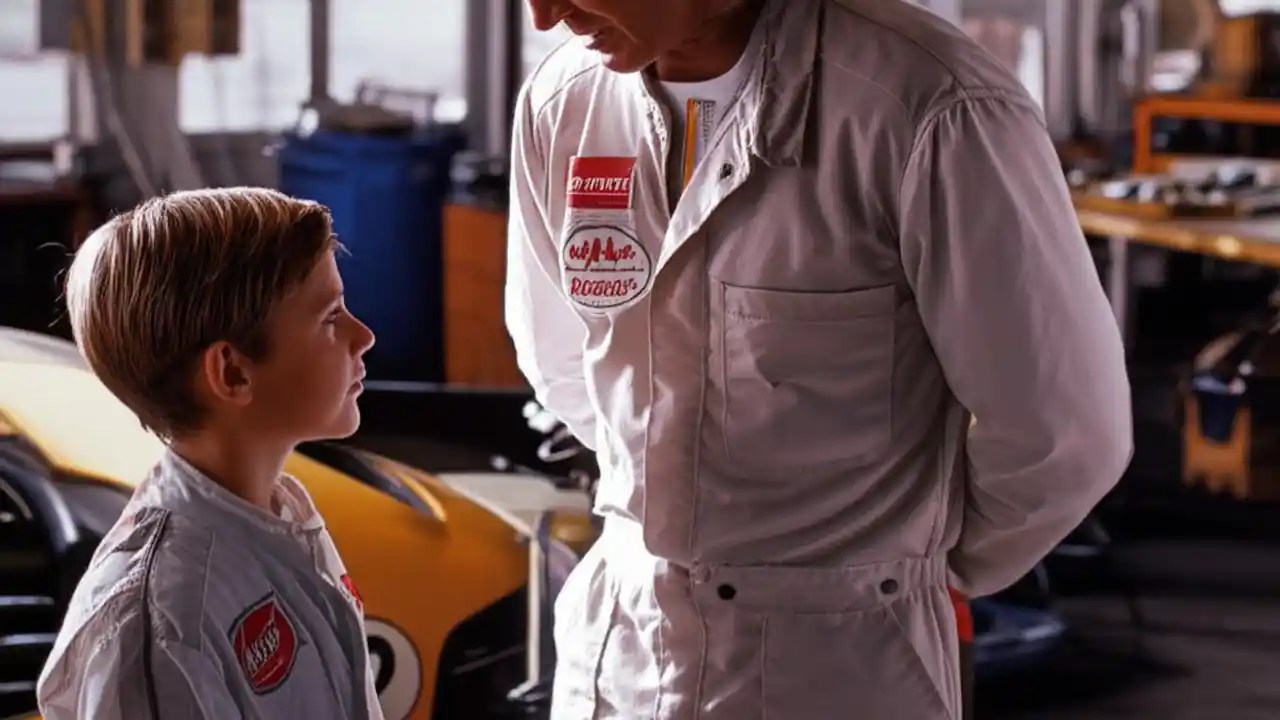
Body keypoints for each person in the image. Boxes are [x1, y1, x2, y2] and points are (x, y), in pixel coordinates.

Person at [506, 0, 1133, 718]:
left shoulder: (929, 106)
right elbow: (561, 362)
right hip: (619, 654)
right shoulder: (563, 101)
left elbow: (1062, 433)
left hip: (838, 663)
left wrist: (895, 576)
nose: (544, 16)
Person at [36, 188, 383, 719]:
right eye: (330, 317)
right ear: (232, 373)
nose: (365, 336)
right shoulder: (165, 618)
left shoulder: (277, 518)